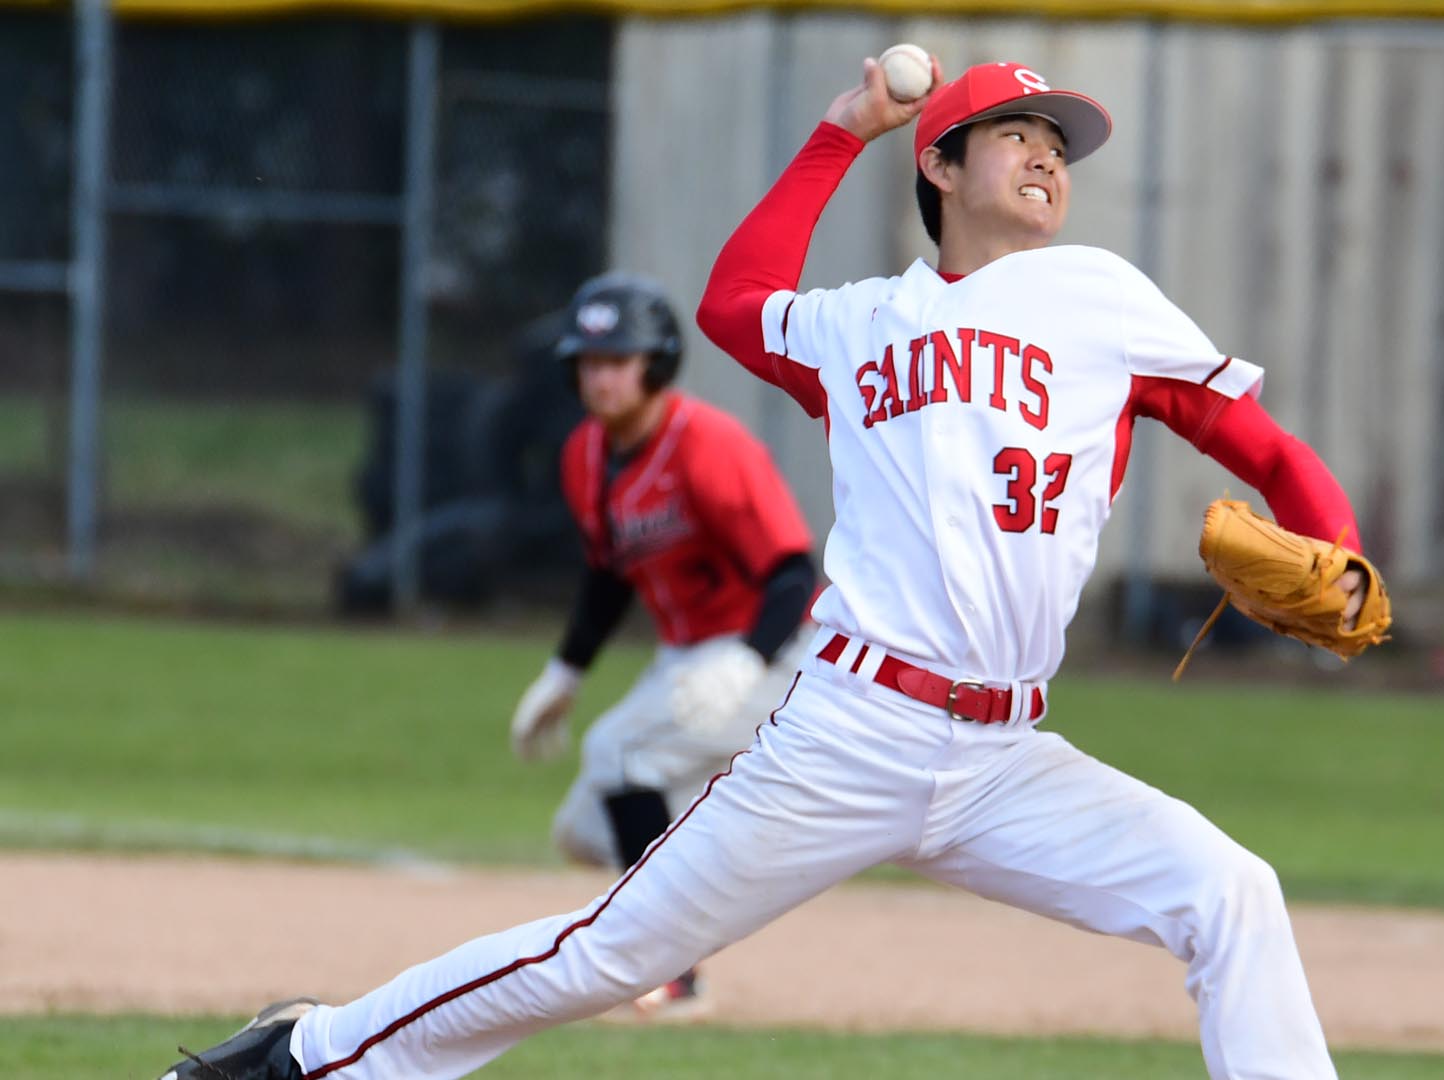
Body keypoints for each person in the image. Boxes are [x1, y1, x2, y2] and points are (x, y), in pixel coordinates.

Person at [157, 54, 1374, 1080]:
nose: (1048, 155)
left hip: (1007, 758)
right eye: (1012, 133)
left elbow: (1257, 443)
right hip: (856, 726)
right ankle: (310, 1053)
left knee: (1229, 894)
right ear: (940, 169)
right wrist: (843, 131)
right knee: (611, 954)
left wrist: (1342, 549)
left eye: (1058, 140)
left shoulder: (1105, 299)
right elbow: (738, 303)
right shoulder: (863, 324)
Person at [507, 272, 819, 1020]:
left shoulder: (706, 443)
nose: (602, 376)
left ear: (658, 363)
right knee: (586, 830)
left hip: (772, 651)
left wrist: (748, 662)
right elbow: (608, 575)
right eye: (589, 361)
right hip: (685, 658)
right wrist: (565, 670)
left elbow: (792, 572)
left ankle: (675, 974)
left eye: (619, 359)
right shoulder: (584, 454)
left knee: (619, 753)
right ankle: (721, 866)